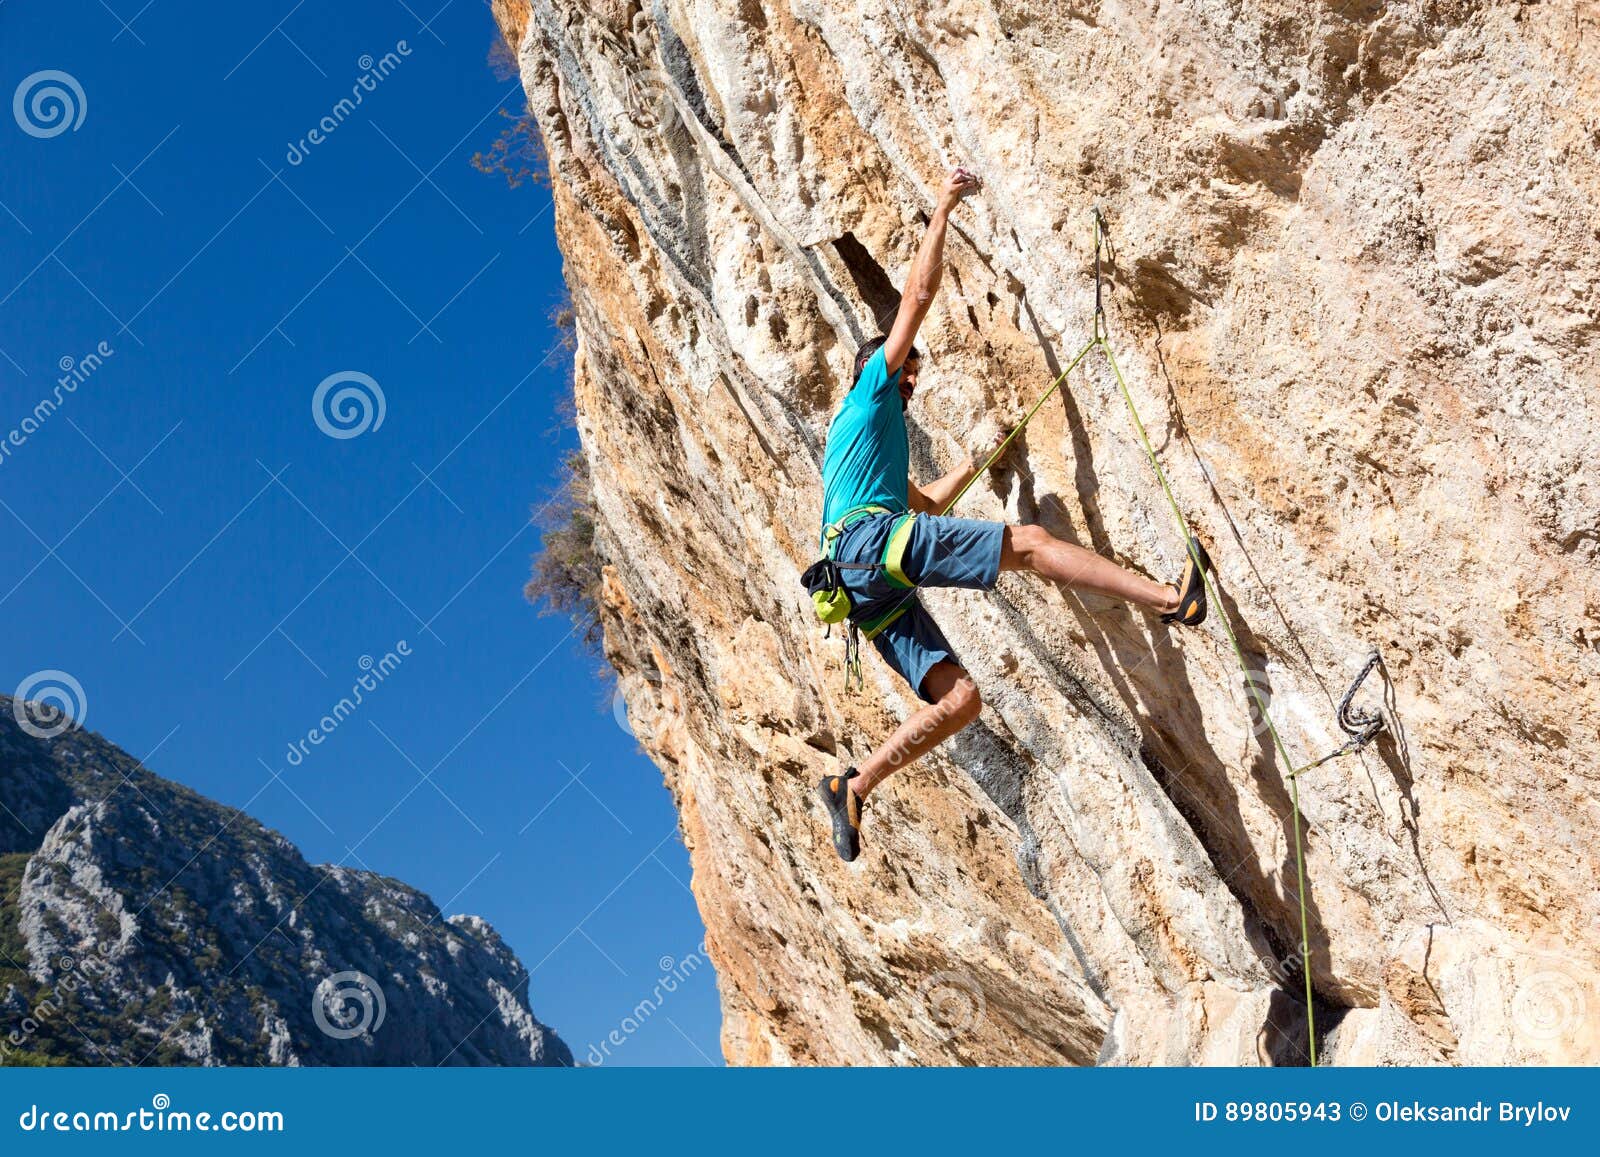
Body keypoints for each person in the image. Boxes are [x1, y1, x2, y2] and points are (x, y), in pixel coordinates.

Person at [816, 166, 1212, 863]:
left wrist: (982, 456)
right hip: (871, 549)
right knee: (1026, 545)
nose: (911, 384)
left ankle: (855, 785)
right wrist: (942, 207)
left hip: (862, 583)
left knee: (962, 700)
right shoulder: (870, 392)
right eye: (906, 376)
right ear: (875, 369)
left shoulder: (859, 447)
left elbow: (927, 506)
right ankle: (1169, 599)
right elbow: (917, 294)